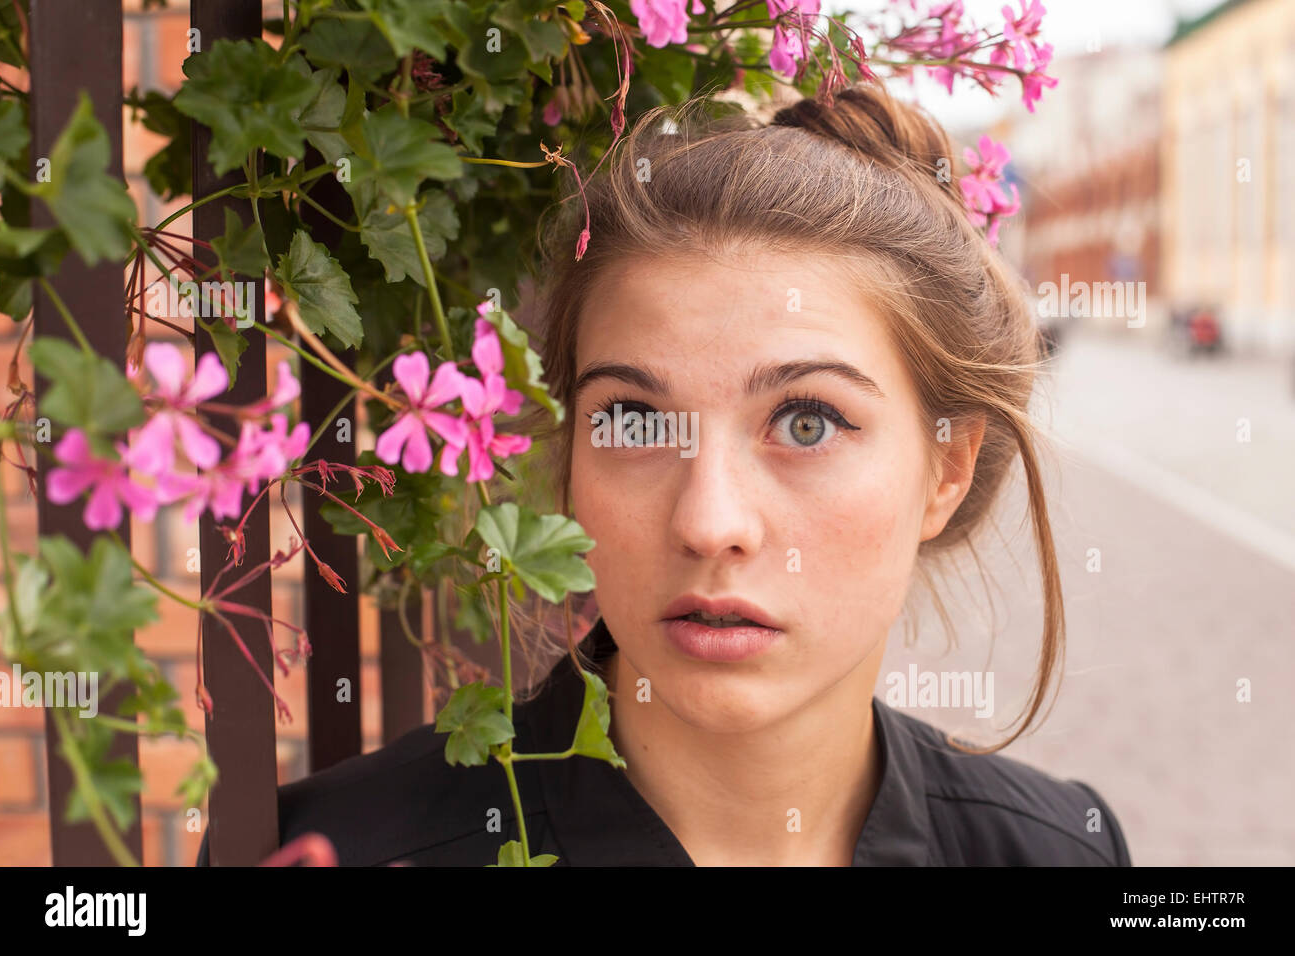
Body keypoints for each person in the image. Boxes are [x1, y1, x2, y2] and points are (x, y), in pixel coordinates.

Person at [199, 82, 1131, 867]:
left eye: (806, 421)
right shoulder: (340, 848)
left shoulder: (1060, 852)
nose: (709, 521)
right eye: (637, 419)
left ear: (947, 467)